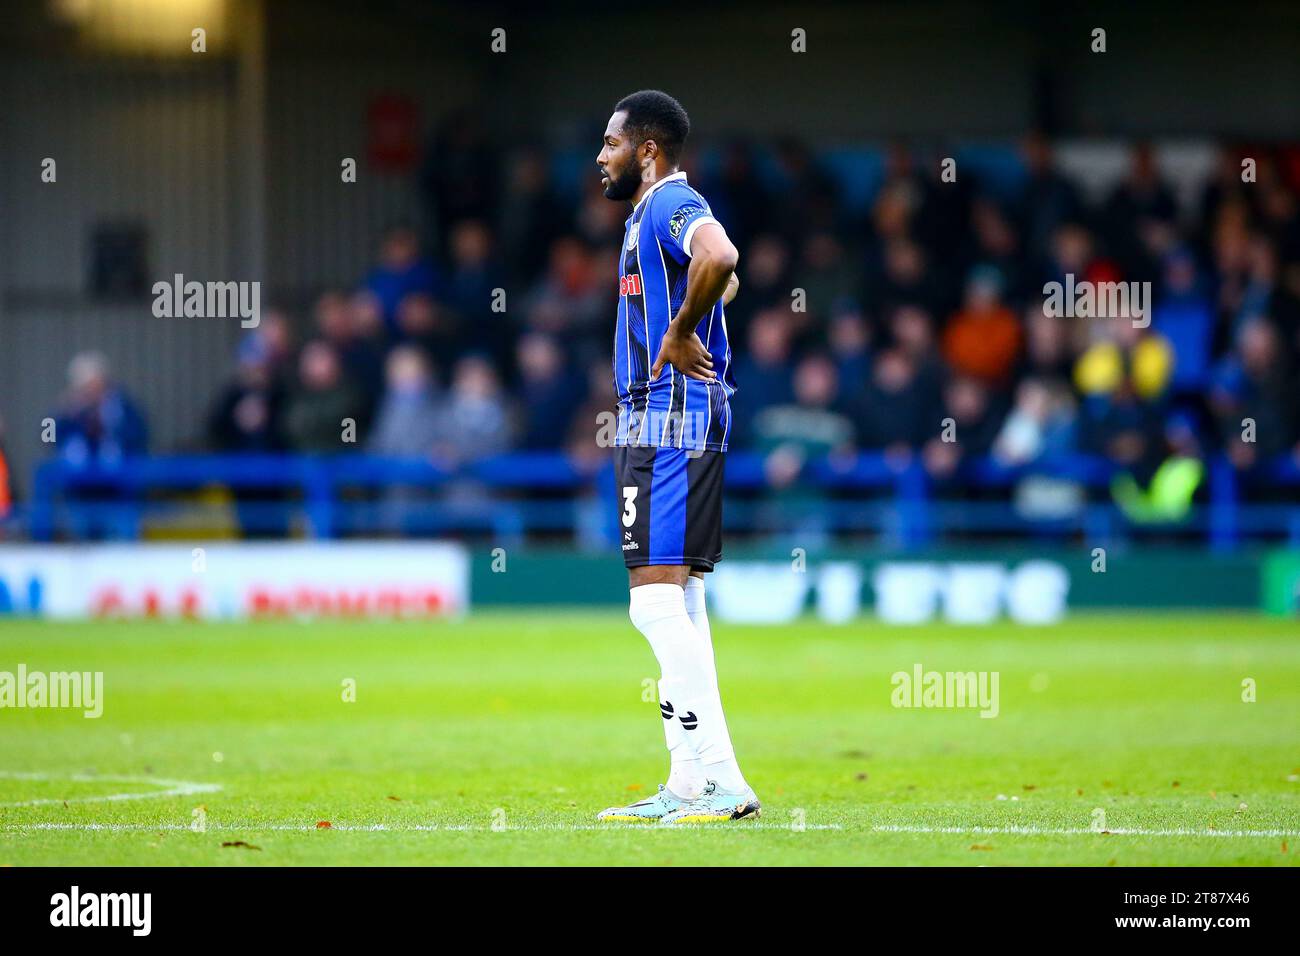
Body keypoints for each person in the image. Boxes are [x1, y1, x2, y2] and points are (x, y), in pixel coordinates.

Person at [593, 90, 758, 825]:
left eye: (611, 144)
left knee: (653, 602)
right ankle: (689, 784)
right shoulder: (647, 219)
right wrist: (705, 304)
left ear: (648, 150)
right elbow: (722, 270)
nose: (601, 157)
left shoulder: (666, 203)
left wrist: (680, 329)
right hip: (668, 421)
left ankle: (723, 781)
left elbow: (722, 254)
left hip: (668, 420)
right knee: (681, 599)